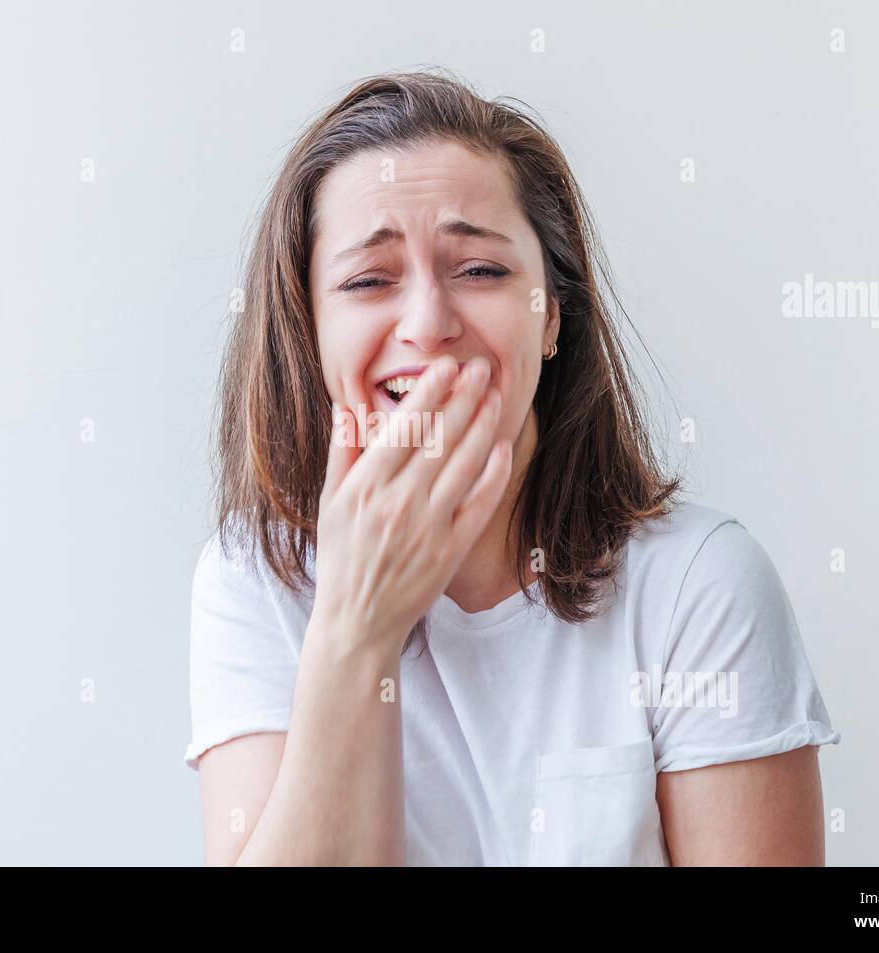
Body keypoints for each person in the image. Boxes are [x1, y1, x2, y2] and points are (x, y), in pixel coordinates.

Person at [183, 69, 840, 865]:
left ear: (552, 316)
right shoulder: (255, 581)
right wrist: (356, 634)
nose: (428, 324)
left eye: (482, 271)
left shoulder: (698, 583)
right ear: (310, 332)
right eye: (367, 281)